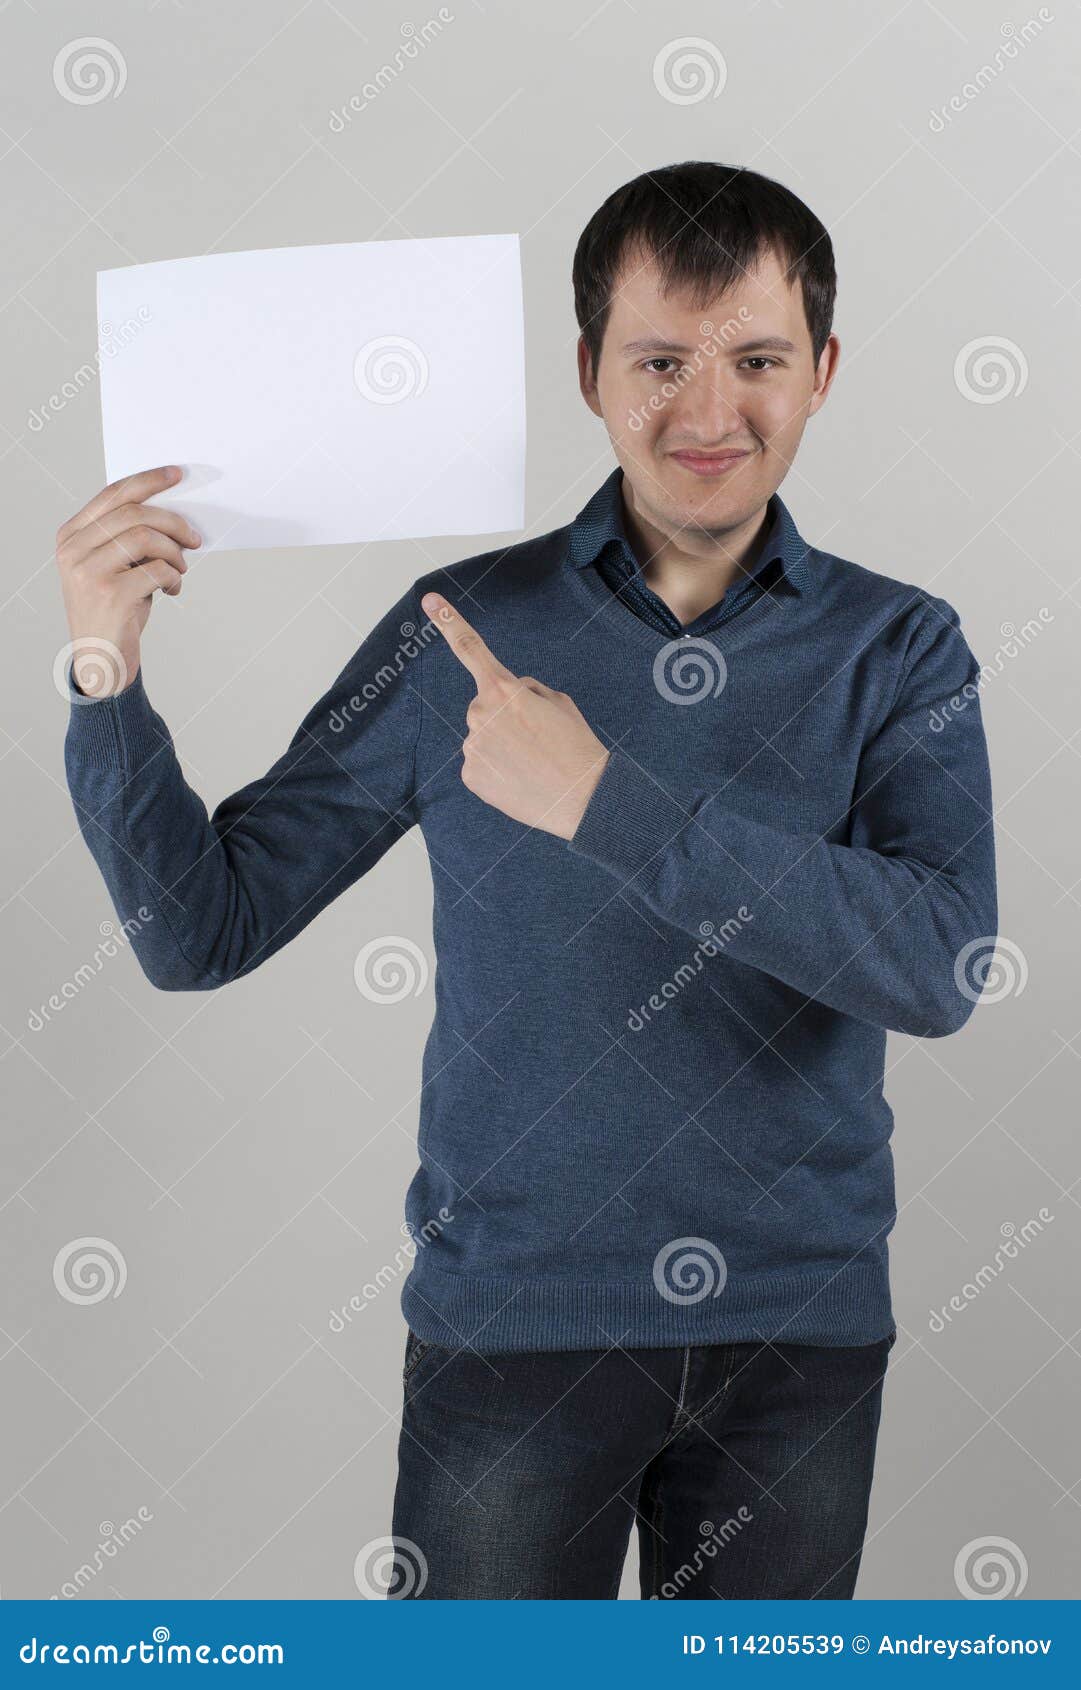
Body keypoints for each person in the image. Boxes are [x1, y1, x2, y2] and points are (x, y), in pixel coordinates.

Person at [57, 161, 997, 1599]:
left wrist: (605, 803)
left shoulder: (898, 648)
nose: (706, 412)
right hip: (515, 1336)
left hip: (795, 1339)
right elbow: (202, 928)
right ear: (585, 371)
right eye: (658, 361)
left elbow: (936, 965)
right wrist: (104, 668)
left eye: (754, 360)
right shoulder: (458, 633)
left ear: (820, 370)